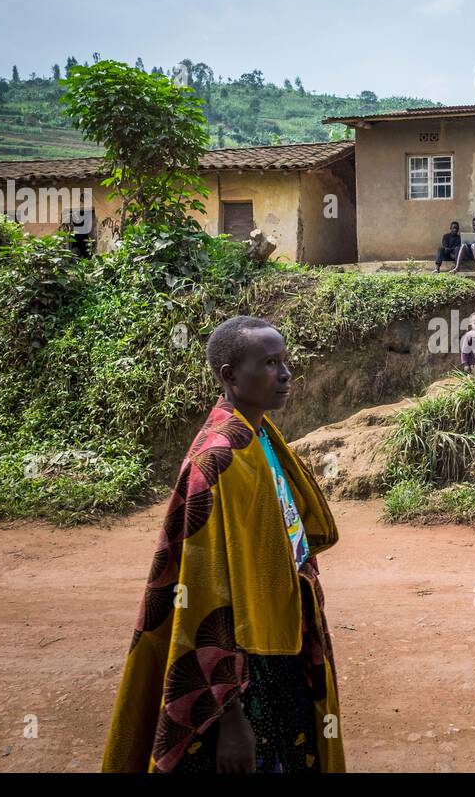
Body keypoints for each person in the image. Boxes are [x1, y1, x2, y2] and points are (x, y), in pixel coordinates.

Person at [101, 316, 345, 773]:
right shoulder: (215, 461)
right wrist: (230, 717)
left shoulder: (259, 437)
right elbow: (205, 598)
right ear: (229, 375)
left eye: (285, 361)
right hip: (242, 670)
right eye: (269, 363)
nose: (285, 374)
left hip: (279, 636)